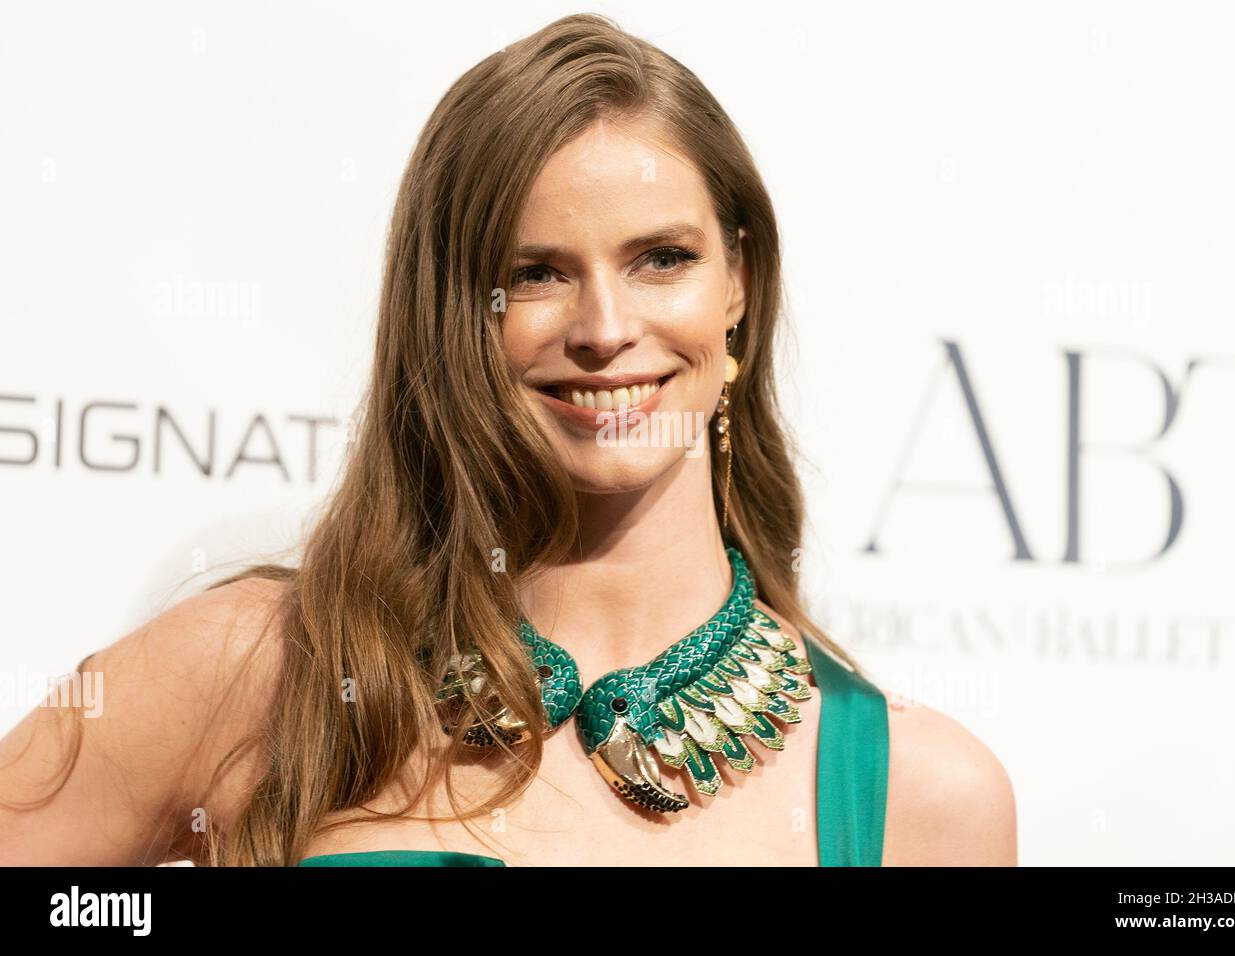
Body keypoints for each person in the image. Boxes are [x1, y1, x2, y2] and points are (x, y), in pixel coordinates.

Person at [0, 13, 1015, 867]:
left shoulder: (921, 801)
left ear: (739, 282)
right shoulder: (259, 669)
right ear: (454, 315)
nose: (606, 328)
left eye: (661, 258)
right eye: (535, 272)